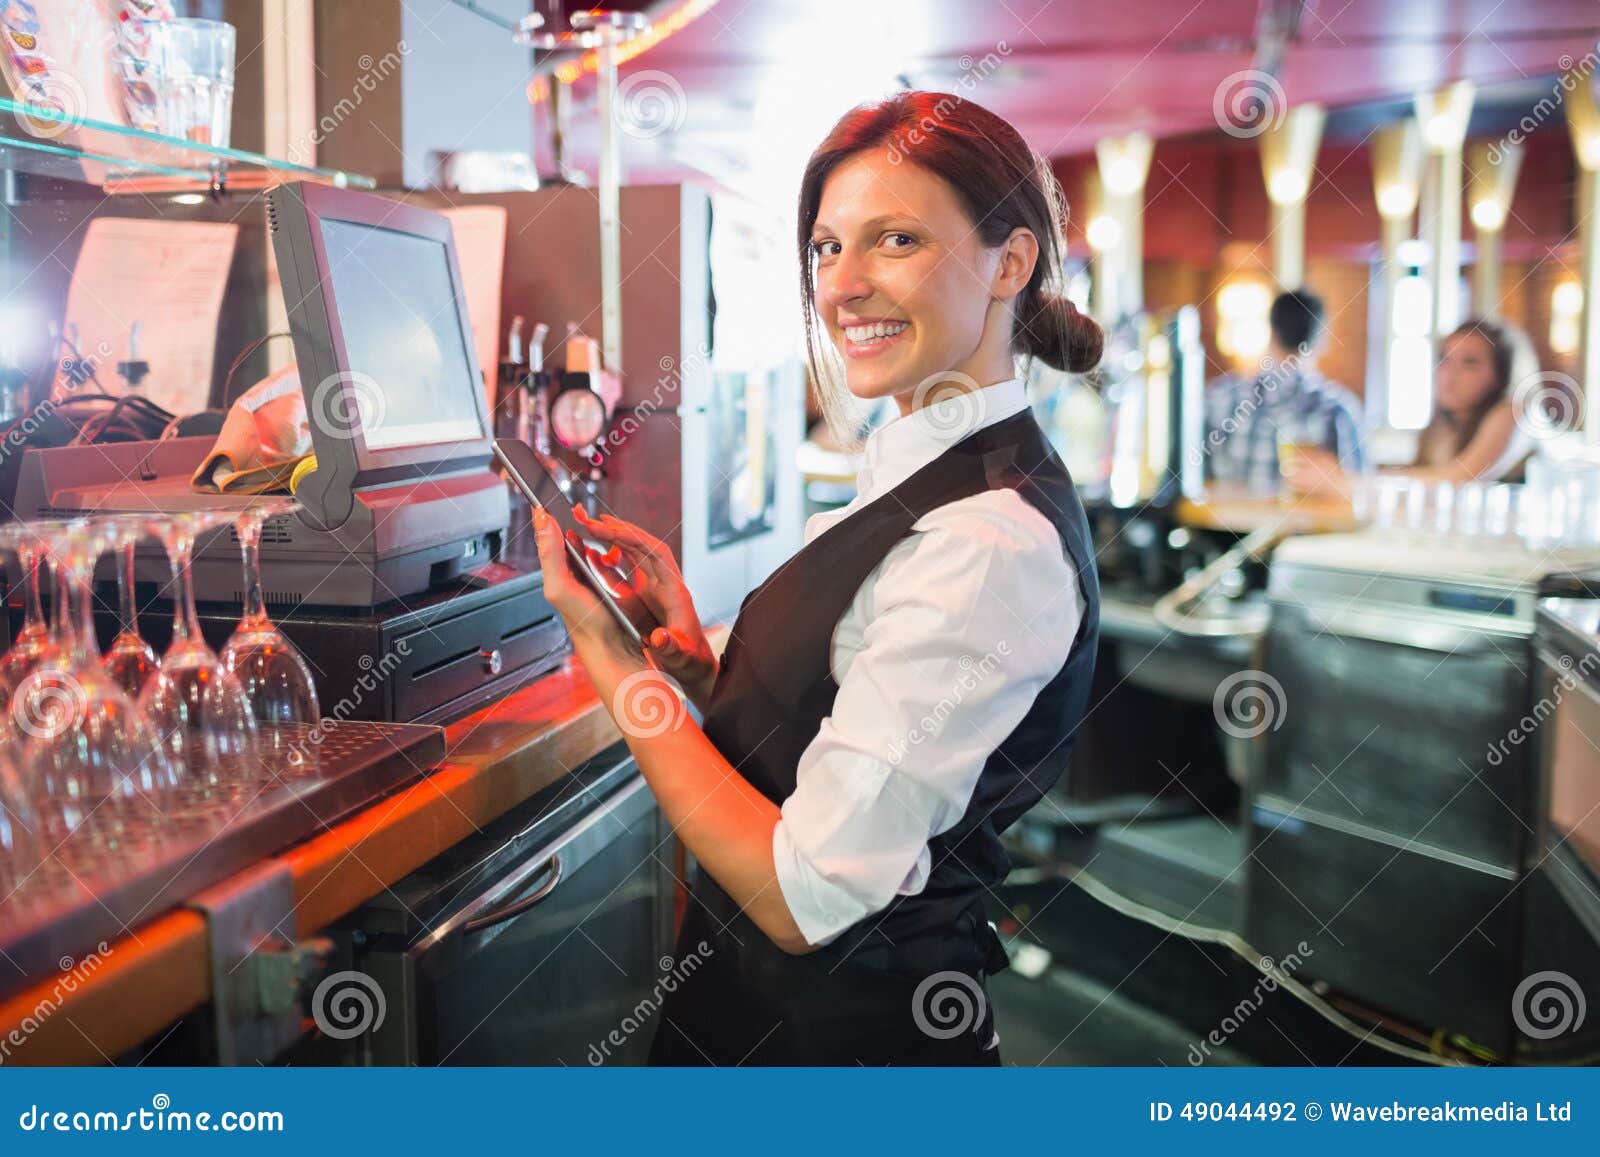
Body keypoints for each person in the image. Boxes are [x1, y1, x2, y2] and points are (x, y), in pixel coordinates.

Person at [530, 91, 1102, 1066]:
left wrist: (611, 665)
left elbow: (803, 895)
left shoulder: (985, 540)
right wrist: (704, 674)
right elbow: (851, 721)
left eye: (895, 240)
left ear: (1011, 261)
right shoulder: (914, 467)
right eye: (828, 248)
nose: (843, 285)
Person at [1287, 317, 1539, 495]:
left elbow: (1458, 481)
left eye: (1470, 363)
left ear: (1502, 374)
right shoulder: (1446, 424)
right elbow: (1428, 484)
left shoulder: (1515, 411)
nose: (1450, 375)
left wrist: (1349, 483)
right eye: (1445, 360)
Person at [1203, 288, 1365, 492]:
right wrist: (1341, 483)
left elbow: (1191, 477)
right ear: (1322, 340)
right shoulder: (1338, 409)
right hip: (1306, 524)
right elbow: (1362, 496)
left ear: (1271, 333)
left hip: (1221, 524)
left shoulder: (1219, 397)